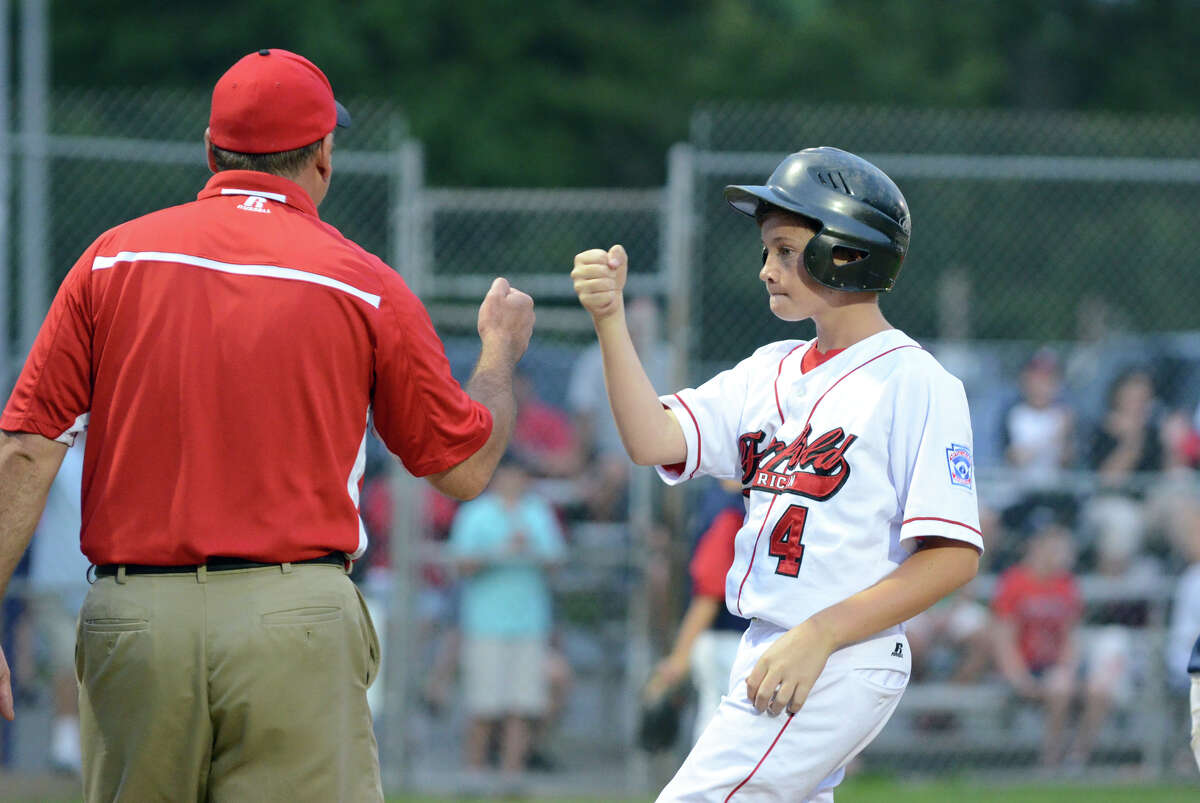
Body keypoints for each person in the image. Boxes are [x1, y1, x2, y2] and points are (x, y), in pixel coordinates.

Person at [0, 48, 535, 802]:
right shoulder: (363, 282)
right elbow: (465, 467)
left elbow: (27, 449)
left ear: (210, 149)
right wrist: (499, 353)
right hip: (295, 619)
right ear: (323, 157)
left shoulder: (112, 260)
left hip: (138, 617)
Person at [572, 146, 981, 801]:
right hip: (771, 648)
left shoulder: (914, 381)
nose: (767, 269)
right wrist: (611, 323)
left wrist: (822, 633)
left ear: (848, 251)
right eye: (768, 251)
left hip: (838, 651)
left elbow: (953, 556)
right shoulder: (768, 369)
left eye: (787, 250)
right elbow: (652, 438)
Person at [447, 455, 565, 782]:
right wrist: (499, 551)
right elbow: (461, 565)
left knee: (522, 707)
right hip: (485, 624)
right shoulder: (476, 513)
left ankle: (512, 778)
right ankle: (473, 774)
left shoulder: (538, 512)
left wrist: (531, 547)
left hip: (530, 625)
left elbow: (556, 561)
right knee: (483, 705)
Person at [645, 480, 749, 743]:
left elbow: (709, 591)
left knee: (719, 739)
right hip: (728, 641)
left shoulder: (723, 501)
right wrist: (679, 658)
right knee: (723, 741)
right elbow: (710, 590)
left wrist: (679, 657)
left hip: (729, 643)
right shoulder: (729, 505)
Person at [990, 522, 1083, 767]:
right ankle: (1052, 760)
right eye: (1055, 546)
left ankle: (1069, 758)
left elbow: (1070, 637)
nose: (1062, 554)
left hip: (1053, 667)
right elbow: (1003, 639)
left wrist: (1066, 669)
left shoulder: (1066, 584)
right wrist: (1018, 677)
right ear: (1037, 547)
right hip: (1024, 666)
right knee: (1059, 686)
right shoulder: (1014, 582)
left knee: (1077, 687)